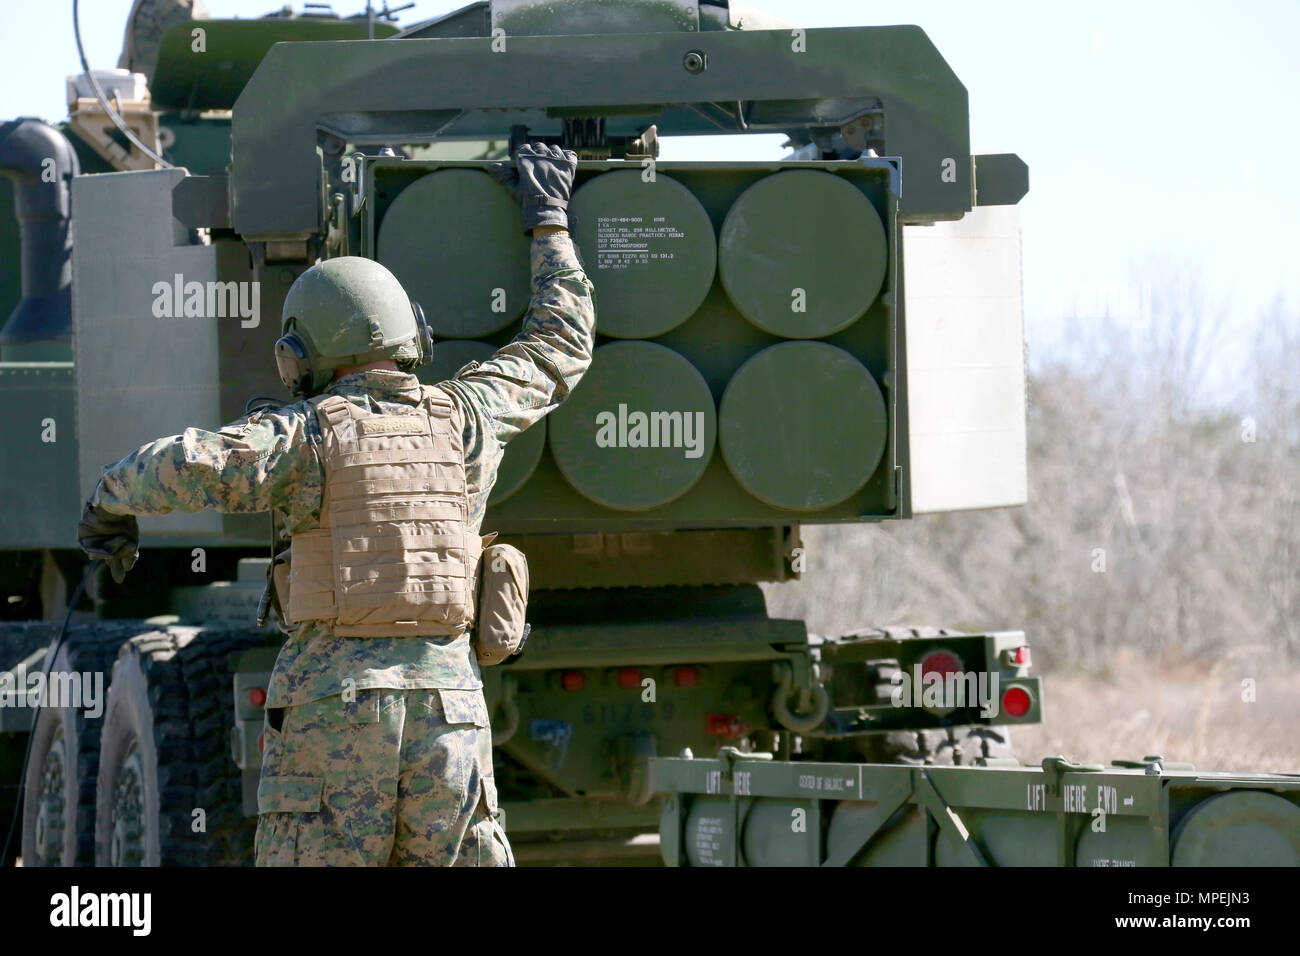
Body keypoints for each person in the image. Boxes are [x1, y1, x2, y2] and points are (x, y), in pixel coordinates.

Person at [76, 143, 594, 865]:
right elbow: (559, 342)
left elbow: (188, 462)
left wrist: (109, 502)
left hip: (334, 712)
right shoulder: (470, 417)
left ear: (299, 354)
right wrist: (548, 221)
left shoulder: (305, 436)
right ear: (413, 333)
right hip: (451, 712)